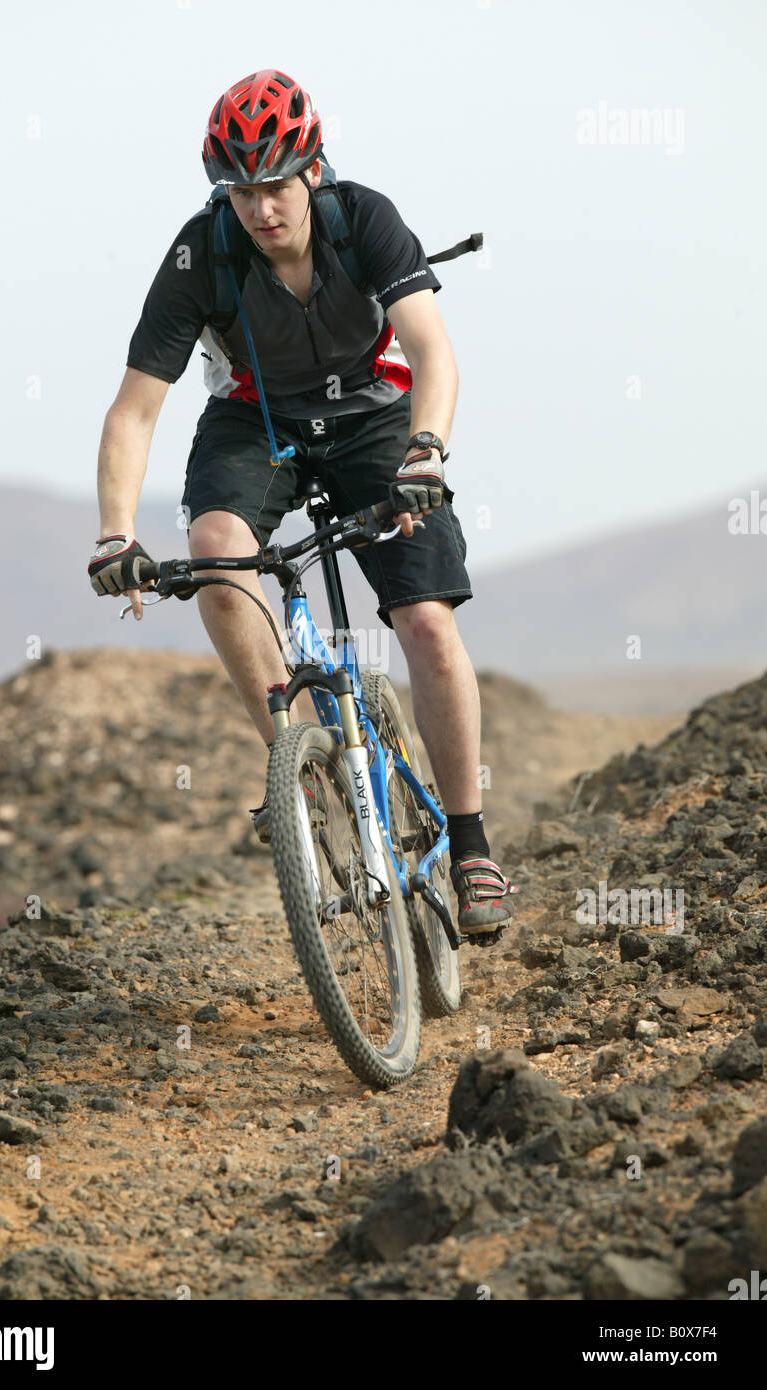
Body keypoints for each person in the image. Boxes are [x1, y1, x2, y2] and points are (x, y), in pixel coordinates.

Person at [88, 69, 515, 932]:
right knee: (215, 548)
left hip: (374, 414)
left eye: (274, 184)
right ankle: (298, 762)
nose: (259, 208)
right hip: (259, 420)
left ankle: (469, 844)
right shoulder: (198, 255)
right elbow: (136, 408)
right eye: (238, 190)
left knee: (426, 620)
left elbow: (433, 352)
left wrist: (426, 453)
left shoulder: (366, 220)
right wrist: (114, 534)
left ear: (312, 171)